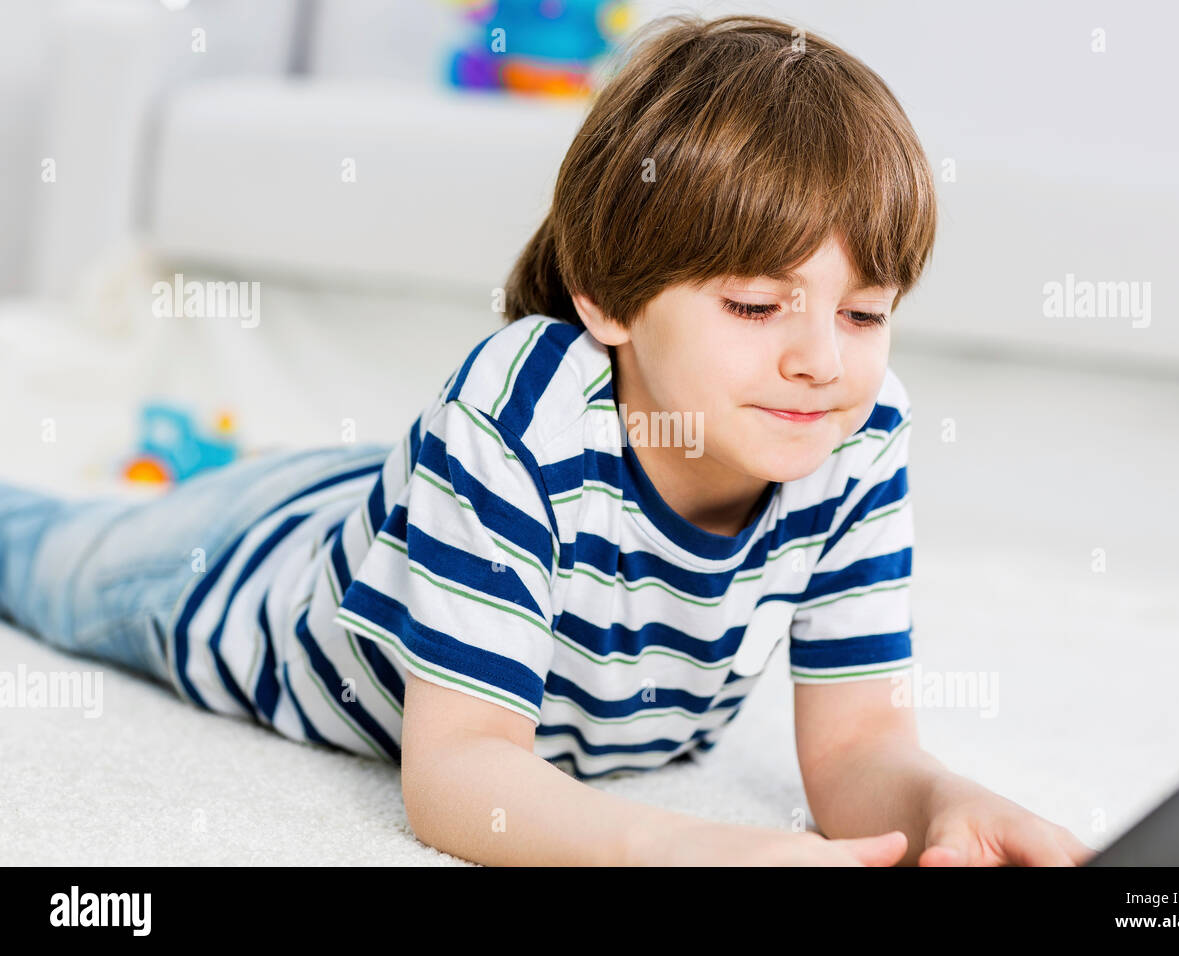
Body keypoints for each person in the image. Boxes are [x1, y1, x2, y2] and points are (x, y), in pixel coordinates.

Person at [0, 13, 1093, 867]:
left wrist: (947, 803)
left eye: (863, 312)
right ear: (606, 297)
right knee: (44, 554)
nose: (824, 358)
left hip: (432, 510)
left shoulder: (858, 429)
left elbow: (856, 748)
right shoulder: (523, 408)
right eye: (757, 306)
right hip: (259, 565)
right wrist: (683, 843)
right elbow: (461, 775)